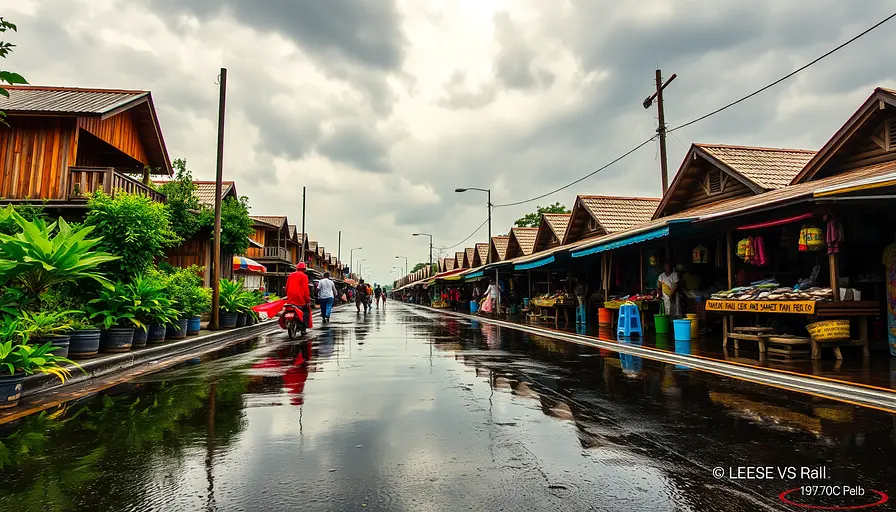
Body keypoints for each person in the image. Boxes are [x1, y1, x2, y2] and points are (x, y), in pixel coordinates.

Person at [285, 262, 312, 329]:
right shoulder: (304, 276)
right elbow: (306, 290)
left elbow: (286, 287)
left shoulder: (291, 275)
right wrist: (307, 300)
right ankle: (304, 328)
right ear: (304, 269)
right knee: (306, 311)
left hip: (290, 298)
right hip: (300, 299)